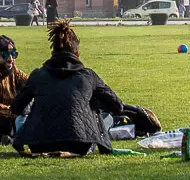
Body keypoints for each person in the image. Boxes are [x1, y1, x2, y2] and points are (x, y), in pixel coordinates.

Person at [11, 19, 123, 156]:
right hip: (79, 142)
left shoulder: (38, 75)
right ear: (77, 54)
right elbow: (118, 106)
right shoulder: (88, 76)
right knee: (97, 110)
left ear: (53, 52)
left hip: (39, 143)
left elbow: (16, 107)